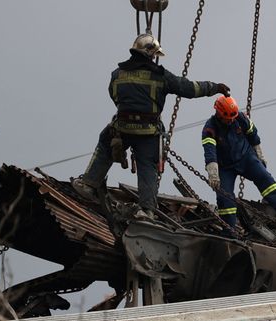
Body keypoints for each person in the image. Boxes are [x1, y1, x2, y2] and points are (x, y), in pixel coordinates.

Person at [73, 33, 230, 218]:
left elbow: (114, 96)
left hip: (121, 128)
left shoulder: (117, 74)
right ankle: (146, 210)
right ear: (149, 53)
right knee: (147, 165)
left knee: (105, 143)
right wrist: (214, 87)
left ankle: (88, 184)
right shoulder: (160, 76)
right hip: (148, 132)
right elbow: (188, 88)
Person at [202, 96, 276, 228]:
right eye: (227, 119)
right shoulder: (210, 128)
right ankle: (229, 230)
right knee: (225, 198)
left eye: (232, 118)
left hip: (246, 157)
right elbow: (210, 151)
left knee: (266, 180)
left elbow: (253, 135)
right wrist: (213, 173)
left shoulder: (240, 118)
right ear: (218, 112)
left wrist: (260, 155)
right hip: (225, 167)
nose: (230, 122)